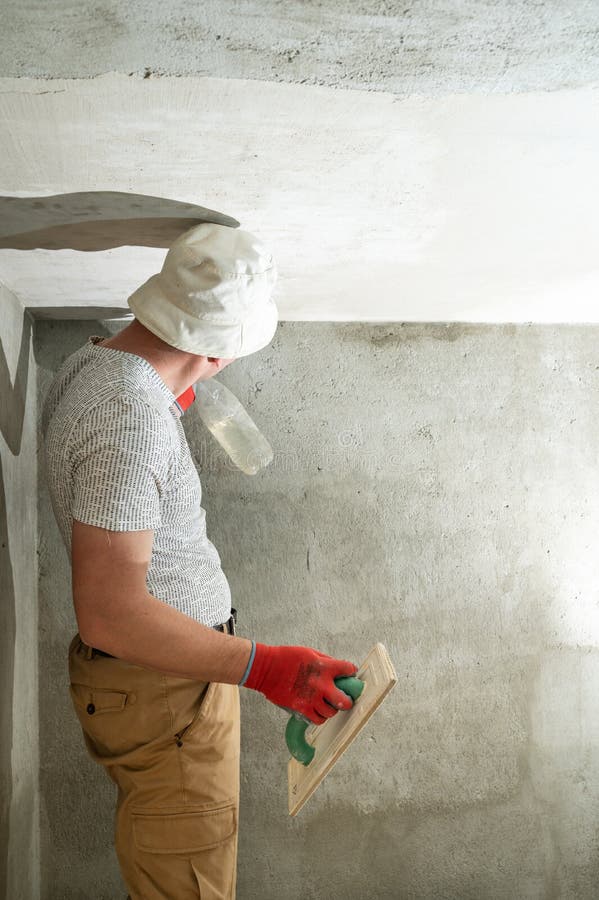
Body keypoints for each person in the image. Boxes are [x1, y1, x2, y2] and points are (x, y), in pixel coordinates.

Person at [41, 223, 357, 900]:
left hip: (162, 681)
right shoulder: (127, 413)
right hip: (163, 687)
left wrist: (175, 391)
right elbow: (109, 615)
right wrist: (267, 667)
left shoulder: (96, 364)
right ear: (220, 350)